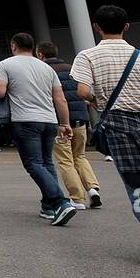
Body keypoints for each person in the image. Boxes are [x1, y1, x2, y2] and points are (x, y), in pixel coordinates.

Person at [71, 5, 140, 270]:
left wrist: (98, 101)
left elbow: (83, 90)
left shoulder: (88, 56)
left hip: (121, 127)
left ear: (97, 27)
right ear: (126, 26)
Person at [0, 33, 76, 227]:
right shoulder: (46, 68)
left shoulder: (5, 65)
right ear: (33, 47)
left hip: (25, 120)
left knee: (33, 164)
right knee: (47, 163)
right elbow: (60, 98)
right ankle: (49, 208)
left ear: (14, 46)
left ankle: (60, 202)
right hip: (50, 121)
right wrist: (65, 123)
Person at [37, 41, 99, 211]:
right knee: (80, 156)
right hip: (81, 118)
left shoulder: (44, 71)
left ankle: (77, 198)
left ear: (40, 55)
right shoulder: (73, 68)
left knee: (65, 161)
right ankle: (92, 189)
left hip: (62, 122)